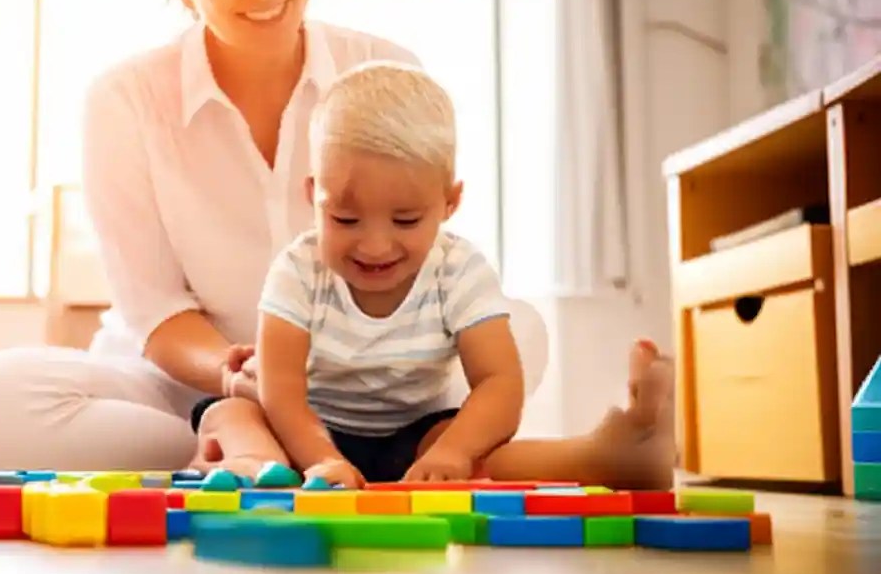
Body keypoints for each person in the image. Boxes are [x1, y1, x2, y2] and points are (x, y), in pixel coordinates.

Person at [0, 0, 675, 490]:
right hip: (192, 378)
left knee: (520, 330)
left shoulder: (384, 68)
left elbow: (431, 265)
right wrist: (239, 376)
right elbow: (155, 313)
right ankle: (254, 445)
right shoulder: (126, 99)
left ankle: (263, 465)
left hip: (373, 378)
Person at [188, 61, 674, 489]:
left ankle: (609, 456)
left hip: (415, 439)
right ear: (314, 194)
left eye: (405, 221)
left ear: (449, 202)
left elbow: (500, 383)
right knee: (233, 411)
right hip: (301, 434)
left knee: (478, 449)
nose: (375, 245)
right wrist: (322, 458)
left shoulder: (458, 270)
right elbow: (282, 391)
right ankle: (255, 463)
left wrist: (453, 452)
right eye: (345, 219)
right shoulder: (298, 270)